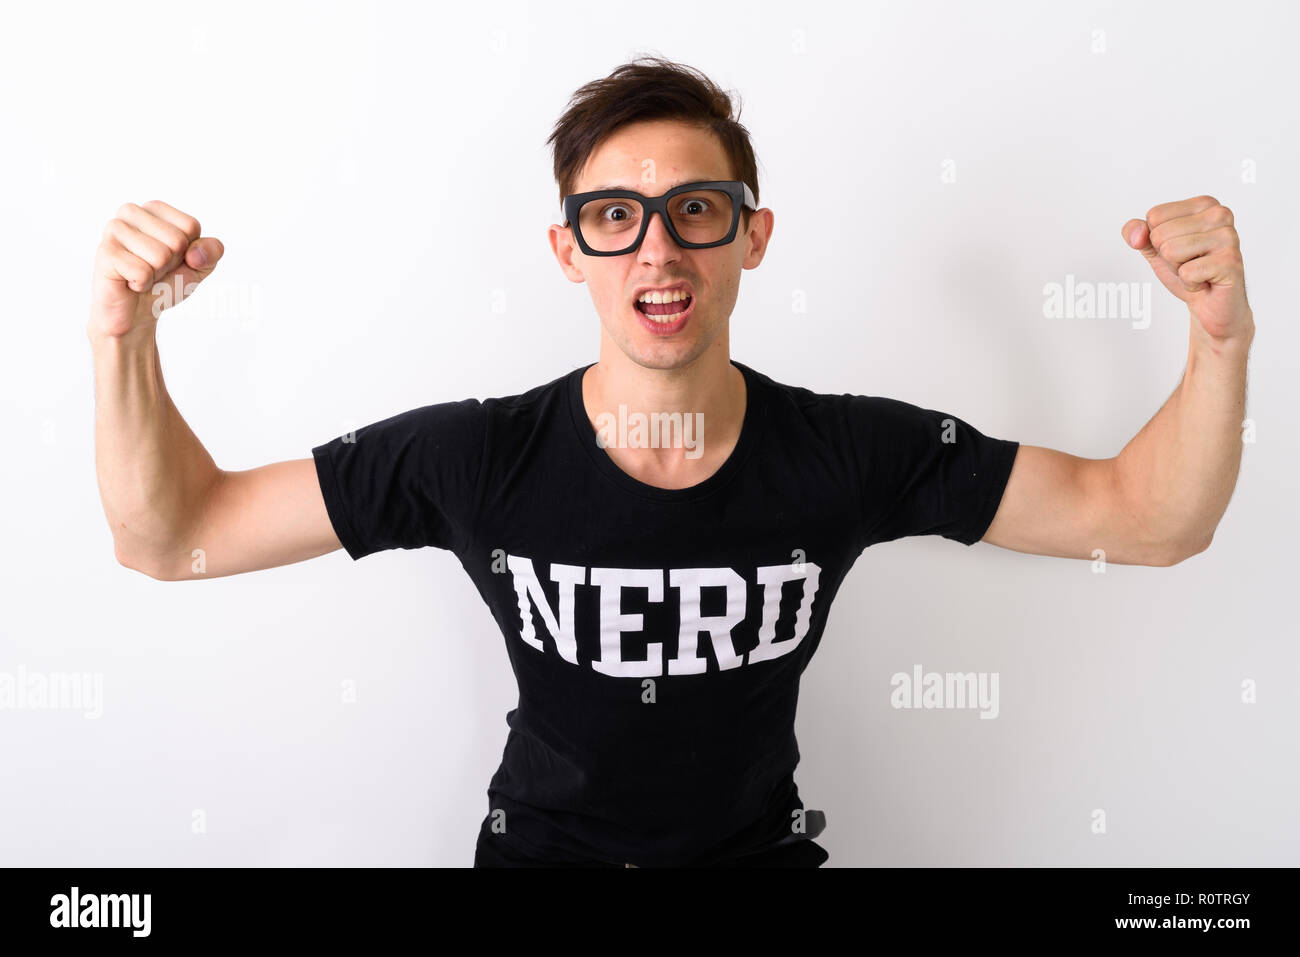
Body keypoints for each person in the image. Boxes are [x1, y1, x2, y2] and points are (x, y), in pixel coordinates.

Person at [86, 56, 1254, 868]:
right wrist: (122, 339)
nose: (657, 245)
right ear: (568, 250)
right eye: (614, 216)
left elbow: (1148, 520)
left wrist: (1218, 340)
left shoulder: (852, 450)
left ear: (751, 236)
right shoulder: (473, 454)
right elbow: (168, 535)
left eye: (696, 209)